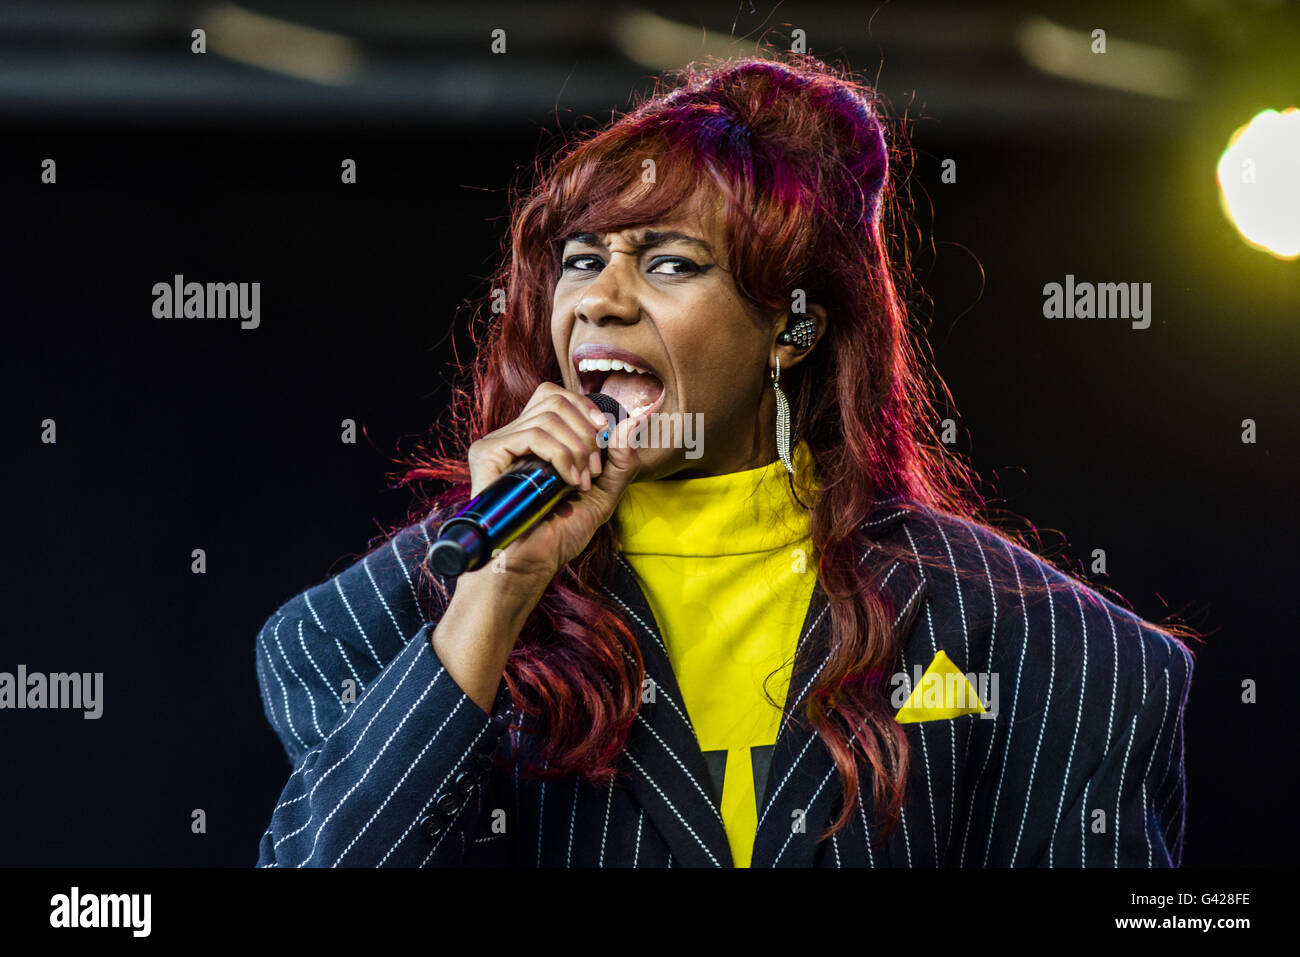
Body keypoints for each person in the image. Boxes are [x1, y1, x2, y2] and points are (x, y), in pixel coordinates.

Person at [254, 52, 1194, 868]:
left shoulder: (1052, 648)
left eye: (669, 264)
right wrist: (493, 601)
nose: (601, 301)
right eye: (582, 259)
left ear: (792, 331)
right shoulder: (371, 628)